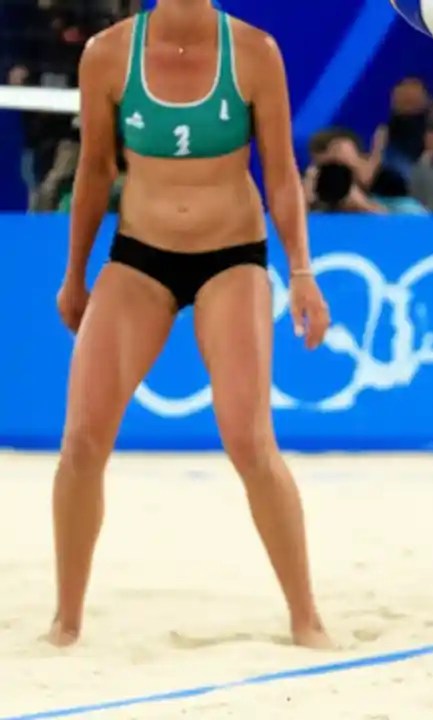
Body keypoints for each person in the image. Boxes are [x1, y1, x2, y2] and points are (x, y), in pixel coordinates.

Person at [52, 0, 332, 648]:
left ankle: (305, 617)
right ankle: (66, 622)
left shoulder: (255, 52)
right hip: (139, 257)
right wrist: (74, 274)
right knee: (82, 442)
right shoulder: (107, 54)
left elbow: (282, 173)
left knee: (249, 442)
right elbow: (95, 170)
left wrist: (302, 273)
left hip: (230, 257)